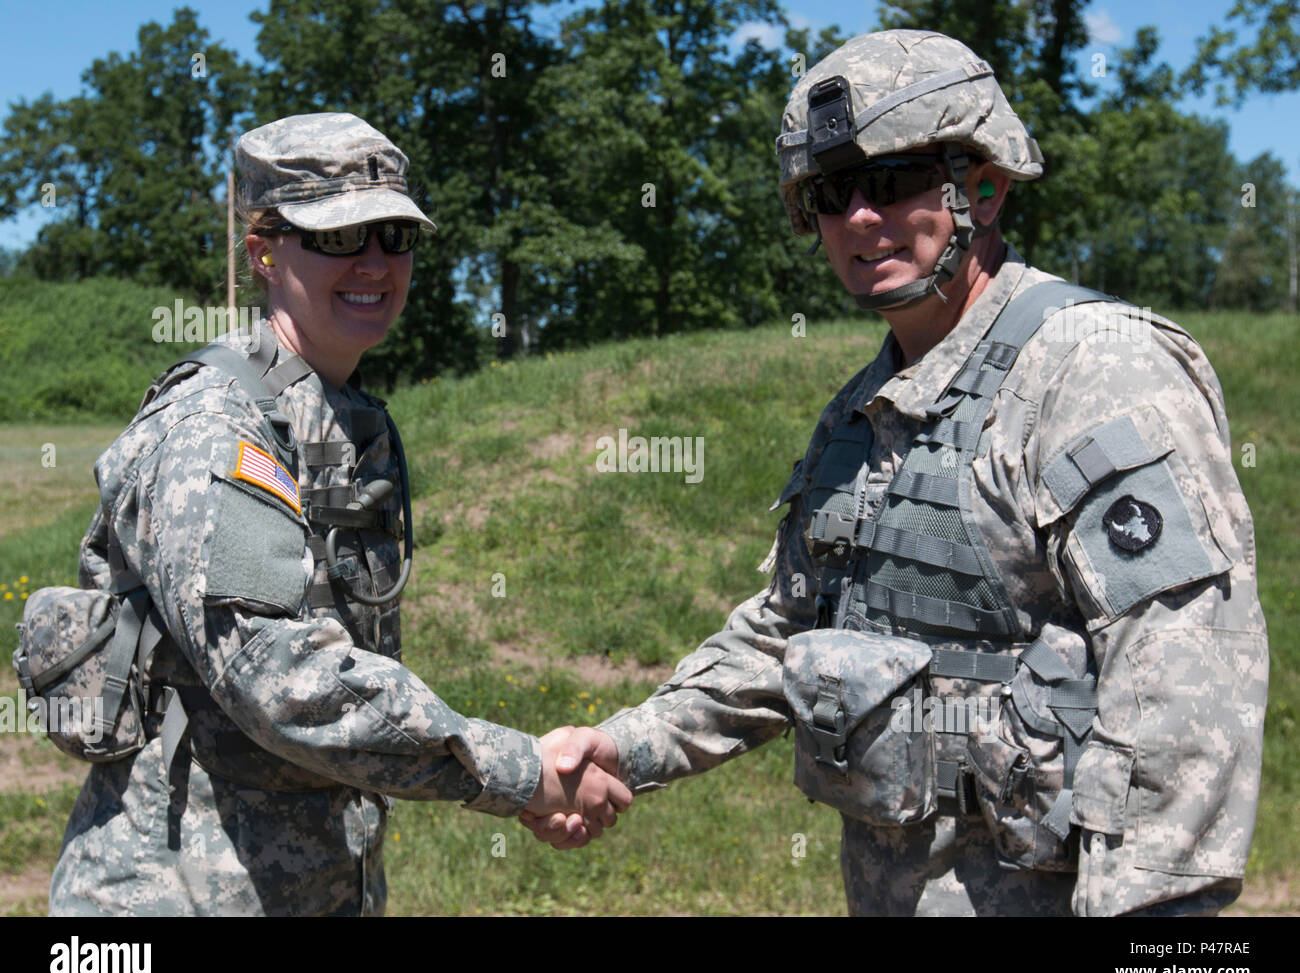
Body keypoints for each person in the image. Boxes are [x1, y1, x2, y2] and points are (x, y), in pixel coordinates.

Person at [522, 30, 1269, 916]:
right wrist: (623, 748)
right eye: (832, 193)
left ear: (983, 187)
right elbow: (785, 632)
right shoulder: (863, 409)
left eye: (893, 181)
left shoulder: (1095, 370)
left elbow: (1182, 689)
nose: (860, 218)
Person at [45, 112, 630, 916]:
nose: (375, 263)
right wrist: (519, 770)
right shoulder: (215, 430)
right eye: (338, 237)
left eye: (394, 234)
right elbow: (280, 675)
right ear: (263, 252)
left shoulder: (339, 417)